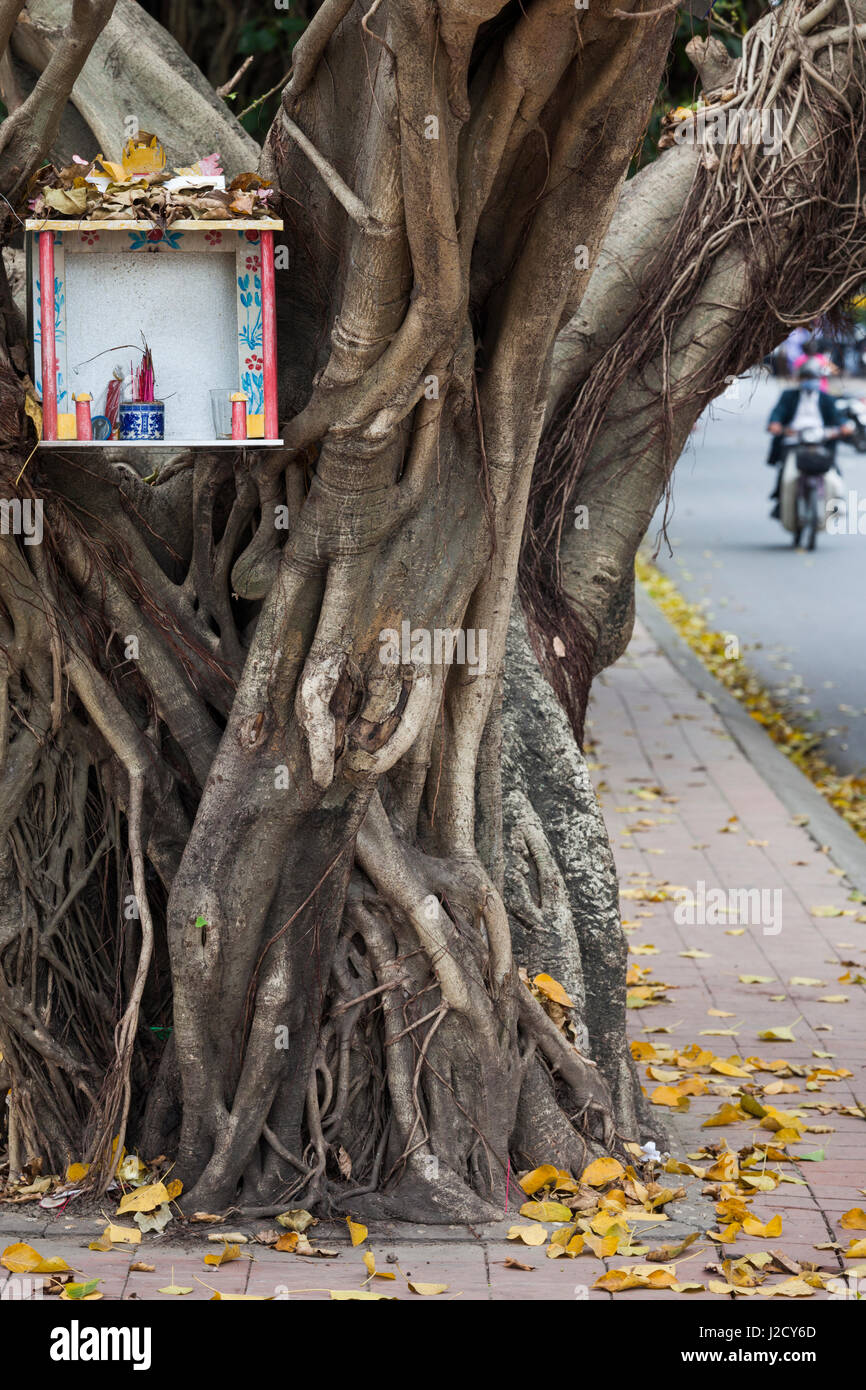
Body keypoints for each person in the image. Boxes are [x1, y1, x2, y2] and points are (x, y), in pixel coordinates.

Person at [766, 360, 852, 517]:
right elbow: (778, 412)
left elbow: (838, 418)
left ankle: (838, 501)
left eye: (813, 377)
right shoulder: (789, 396)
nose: (809, 381)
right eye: (806, 377)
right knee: (785, 469)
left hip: (821, 439)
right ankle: (780, 501)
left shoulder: (826, 399)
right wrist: (775, 423)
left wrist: (844, 426)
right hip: (794, 439)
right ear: (799, 379)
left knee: (833, 468)